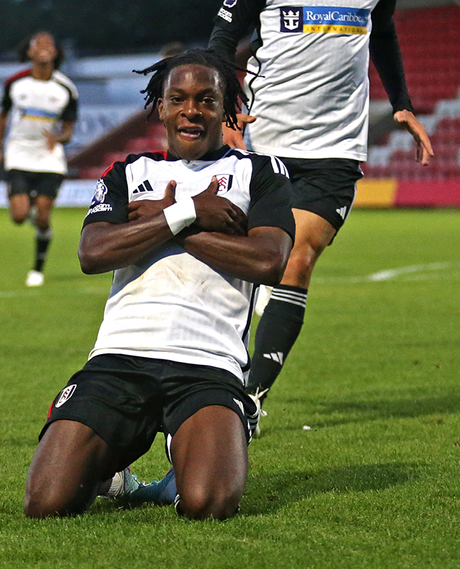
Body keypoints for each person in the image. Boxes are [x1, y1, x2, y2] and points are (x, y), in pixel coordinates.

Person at [23, 49, 295, 520]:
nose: (192, 110)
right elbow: (93, 253)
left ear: (226, 106)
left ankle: (185, 444)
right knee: (47, 502)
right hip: (119, 358)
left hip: (208, 363)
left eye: (207, 100)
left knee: (207, 504)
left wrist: (167, 222)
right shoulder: (129, 171)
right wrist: (190, 212)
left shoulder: (261, 174)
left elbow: (269, 261)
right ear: (162, 107)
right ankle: (116, 473)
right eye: (179, 99)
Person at [208, 0, 434, 433]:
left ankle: (250, 399)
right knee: (248, 259)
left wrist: (401, 101)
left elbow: (382, 31)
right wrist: (227, 105)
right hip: (264, 141)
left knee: (297, 258)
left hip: (336, 150)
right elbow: (222, 37)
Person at [0, 31, 78, 287]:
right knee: (18, 216)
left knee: (42, 216)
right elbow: (2, 117)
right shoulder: (15, 83)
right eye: (37, 43)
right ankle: (30, 210)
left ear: (55, 52)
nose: (43, 47)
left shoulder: (66, 89)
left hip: (49, 158)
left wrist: (59, 138)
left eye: (49, 43)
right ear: (29, 52)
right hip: (18, 153)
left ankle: (37, 268)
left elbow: (69, 129)